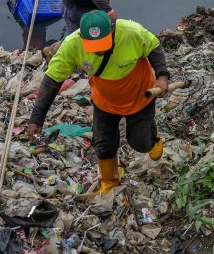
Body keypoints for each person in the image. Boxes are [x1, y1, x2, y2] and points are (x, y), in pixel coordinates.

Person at [25, 10, 169, 195]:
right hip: (105, 101)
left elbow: (154, 48)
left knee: (139, 142)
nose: (100, 50)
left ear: (112, 30)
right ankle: (109, 182)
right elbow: (52, 81)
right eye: (94, 46)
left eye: (103, 44)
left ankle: (152, 139)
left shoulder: (131, 32)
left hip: (141, 97)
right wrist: (37, 119)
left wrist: (162, 77)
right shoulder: (72, 44)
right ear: (82, 38)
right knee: (103, 144)